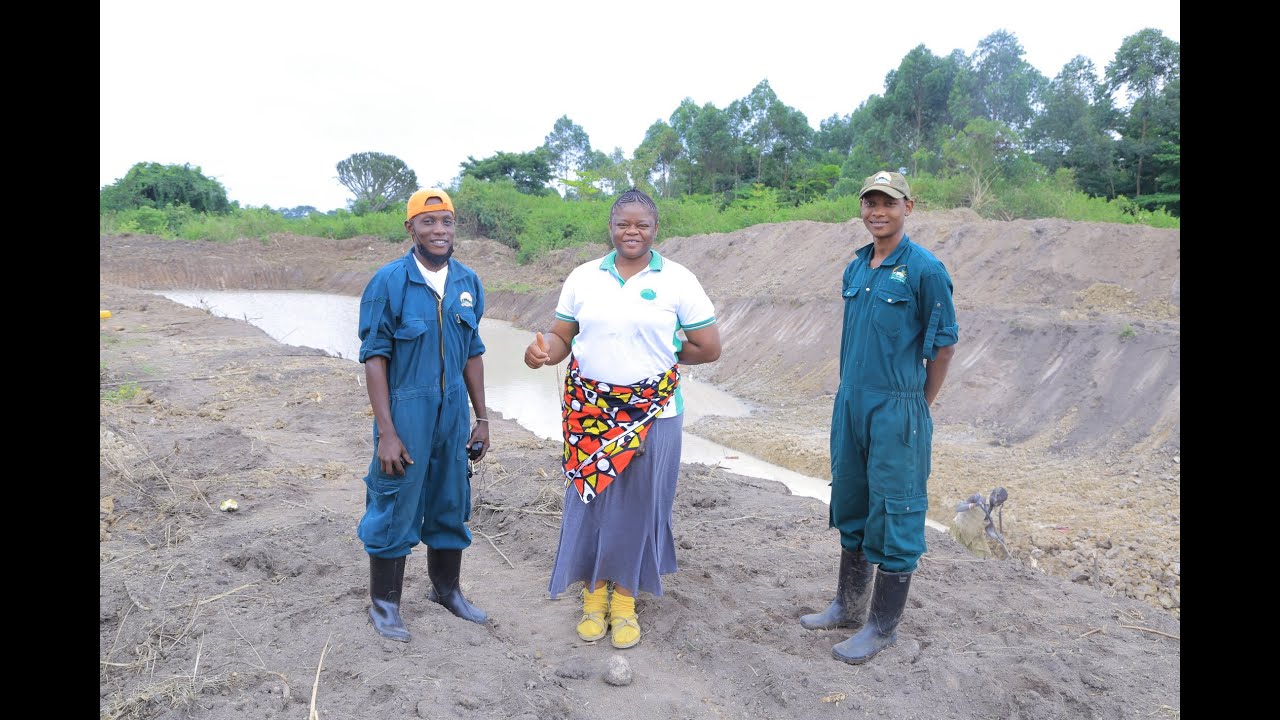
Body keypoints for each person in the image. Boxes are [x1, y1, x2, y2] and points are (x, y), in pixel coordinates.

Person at [523, 187, 721, 649]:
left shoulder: (678, 280)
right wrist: (542, 354)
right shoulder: (583, 278)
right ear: (610, 228)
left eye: (642, 225)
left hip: (655, 413)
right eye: (623, 224)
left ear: (656, 229)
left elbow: (708, 347)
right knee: (590, 503)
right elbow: (561, 338)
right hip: (589, 413)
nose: (632, 232)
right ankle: (593, 597)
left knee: (641, 506)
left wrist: (658, 362)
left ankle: (626, 603)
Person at [801, 171, 958, 664]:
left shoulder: (925, 271)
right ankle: (848, 606)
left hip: (898, 407)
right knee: (852, 499)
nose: (877, 211)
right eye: (870, 202)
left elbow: (945, 344)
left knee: (896, 511)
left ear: (909, 207)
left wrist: (916, 404)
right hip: (851, 403)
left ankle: (881, 627)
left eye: (888, 202)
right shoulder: (857, 267)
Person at [356, 188, 492, 642]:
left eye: (447, 222)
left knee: (451, 500)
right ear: (410, 228)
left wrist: (482, 418)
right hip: (406, 412)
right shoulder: (389, 281)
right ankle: (385, 605)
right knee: (396, 500)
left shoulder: (468, 283)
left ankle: (447, 591)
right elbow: (375, 357)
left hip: (453, 412)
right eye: (428, 222)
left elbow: (472, 352)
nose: (439, 231)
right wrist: (387, 432)